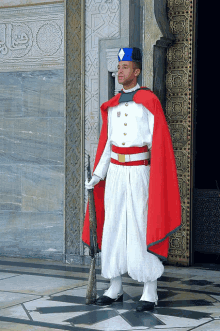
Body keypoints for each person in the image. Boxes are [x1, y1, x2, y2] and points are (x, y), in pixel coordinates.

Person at [82, 47, 181, 312]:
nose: (119, 71)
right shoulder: (113, 106)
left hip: (140, 172)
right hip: (115, 172)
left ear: (136, 71)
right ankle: (115, 287)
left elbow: (158, 142)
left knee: (139, 226)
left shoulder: (149, 101)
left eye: (125, 67)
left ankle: (150, 291)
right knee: (113, 225)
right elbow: (107, 145)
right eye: (118, 67)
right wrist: (97, 175)